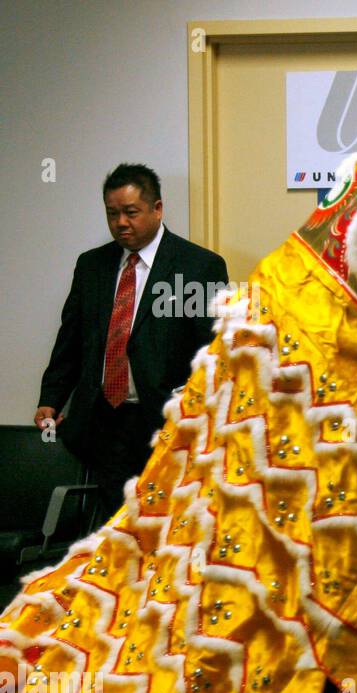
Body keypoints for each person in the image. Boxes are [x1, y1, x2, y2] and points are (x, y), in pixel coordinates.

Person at [35, 163, 228, 521]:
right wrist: (51, 398)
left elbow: (212, 350)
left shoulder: (199, 266)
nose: (121, 222)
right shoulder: (92, 265)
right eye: (112, 213)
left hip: (167, 422)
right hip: (104, 419)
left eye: (131, 212)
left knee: (168, 522)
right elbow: (72, 338)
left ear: (157, 209)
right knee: (117, 524)